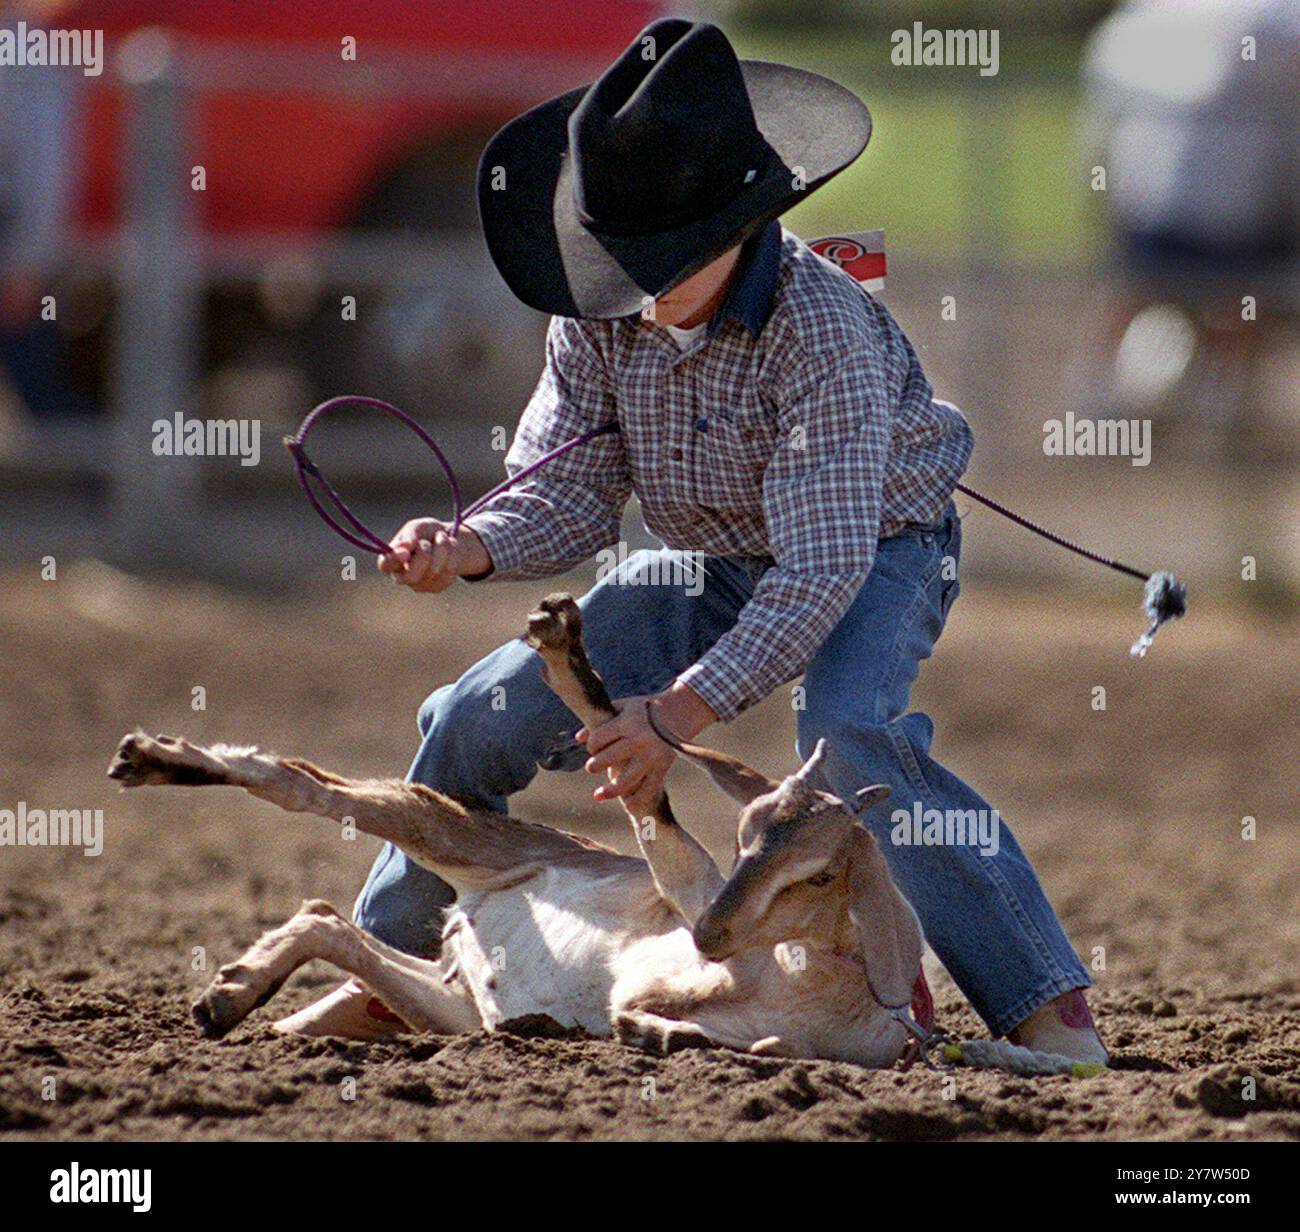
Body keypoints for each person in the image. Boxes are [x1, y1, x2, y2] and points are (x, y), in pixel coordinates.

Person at [290, 19, 1107, 1064]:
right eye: (622, 259)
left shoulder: (821, 329)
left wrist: (672, 714)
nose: (637, 283)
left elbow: (821, 569)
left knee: (851, 735)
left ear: (743, 221)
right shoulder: (594, 317)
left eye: (663, 258)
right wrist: (472, 545)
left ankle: (1044, 999)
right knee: (469, 713)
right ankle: (394, 961)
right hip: (710, 555)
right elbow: (572, 490)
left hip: (881, 545)